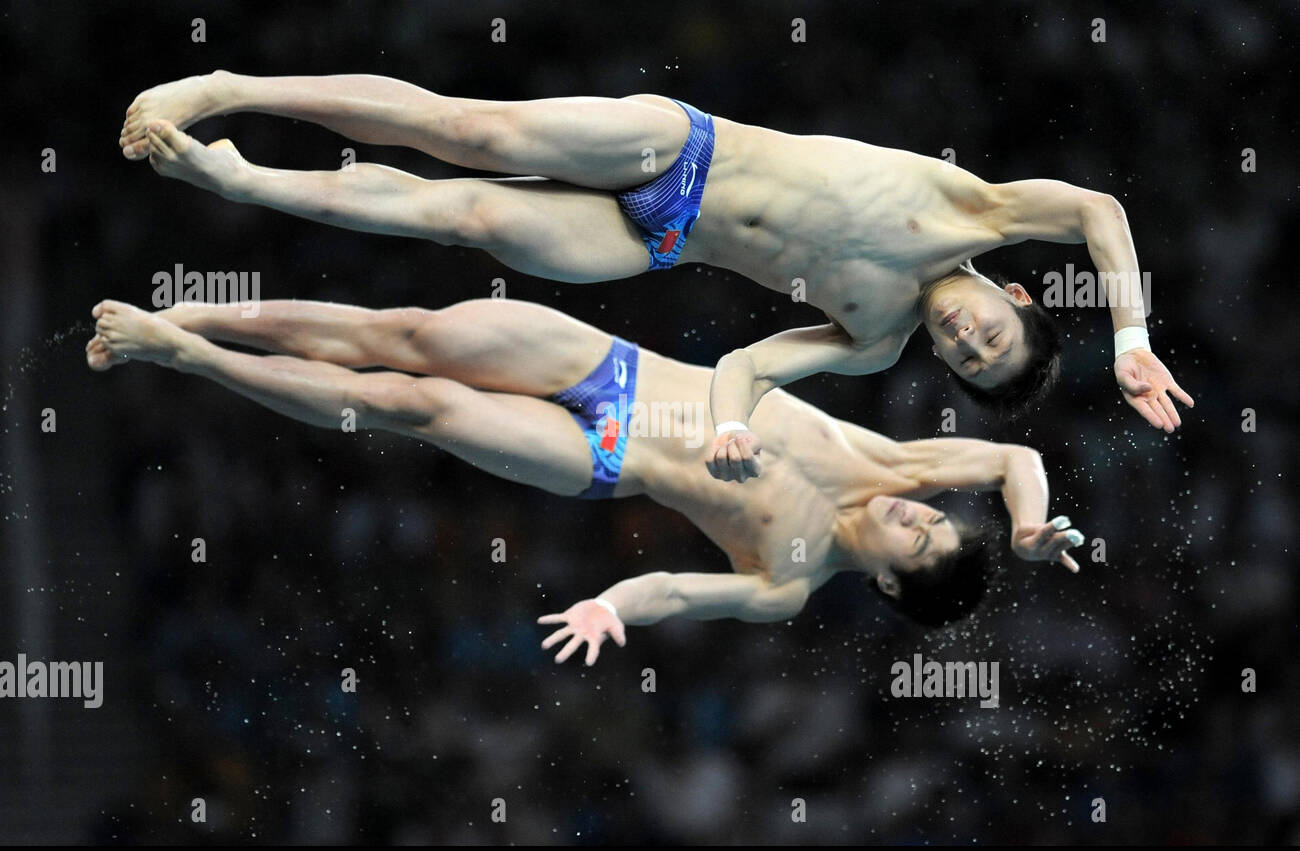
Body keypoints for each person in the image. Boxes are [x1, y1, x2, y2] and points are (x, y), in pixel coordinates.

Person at [117, 70, 1193, 484]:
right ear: (1012, 294)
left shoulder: (873, 339)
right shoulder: (981, 212)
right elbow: (1099, 211)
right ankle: (228, 85)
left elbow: (745, 365)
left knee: (461, 219)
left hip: (655, 241)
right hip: (680, 151)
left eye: (966, 360)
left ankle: (244, 181)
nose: (963, 340)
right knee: (469, 131)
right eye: (989, 334)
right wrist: (1131, 336)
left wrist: (728, 424)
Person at [87, 295, 1084, 666]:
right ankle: (201, 314)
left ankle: (180, 351)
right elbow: (1015, 458)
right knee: (403, 336)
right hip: (610, 369)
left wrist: (613, 606)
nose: (914, 516)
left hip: (601, 460)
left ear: (887, 582)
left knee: (409, 403)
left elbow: (672, 590)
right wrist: (1031, 523)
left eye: (915, 541)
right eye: (933, 520)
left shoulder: (786, 584)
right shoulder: (891, 464)